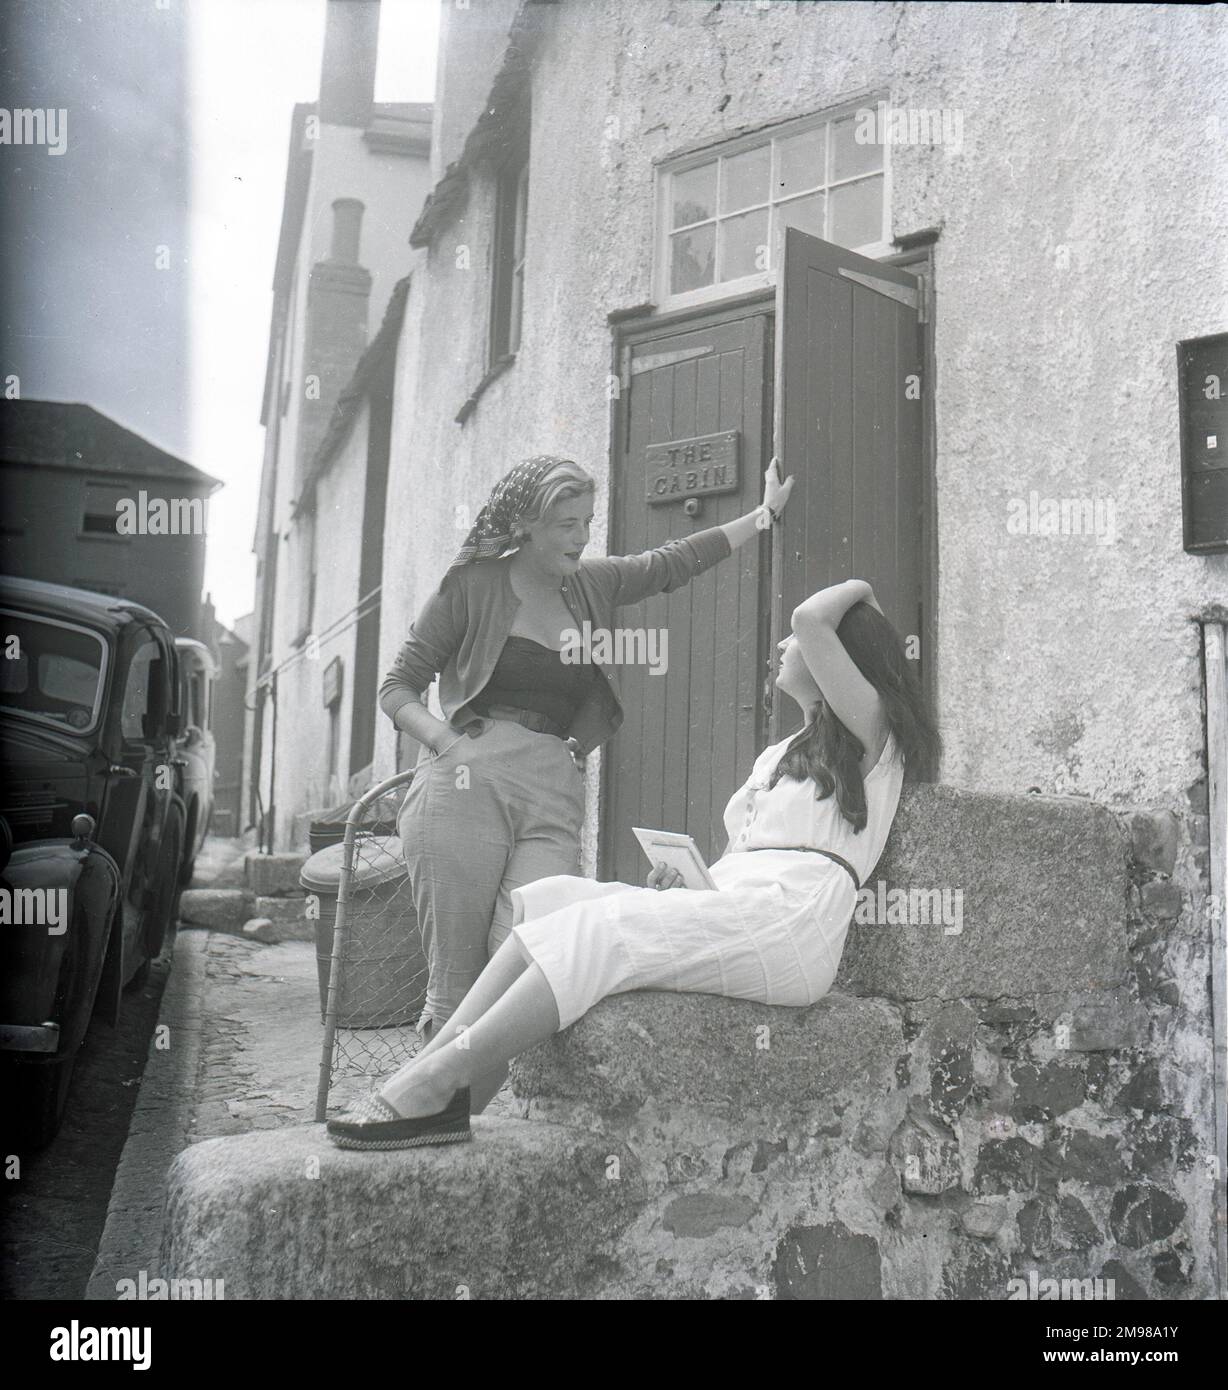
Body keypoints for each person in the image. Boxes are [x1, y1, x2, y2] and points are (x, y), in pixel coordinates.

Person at [329, 577, 941, 1149]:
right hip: (739, 903)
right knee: (555, 899)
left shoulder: (875, 734)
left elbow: (810, 618)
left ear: (842, 656)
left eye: (799, 643)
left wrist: (865, 595)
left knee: (601, 931)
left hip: (793, 922)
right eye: (787, 637)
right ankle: (443, 1079)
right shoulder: (782, 753)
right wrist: (685, 883)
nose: (784, 643)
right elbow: (739, 865)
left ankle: (437, 1081)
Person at [380, 453, 795, 1093]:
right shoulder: (473, 585)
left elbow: (670, 564)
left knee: (527, 964)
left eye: (587, 522)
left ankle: (441, 1121)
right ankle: (425, 1128)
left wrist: (762, 518)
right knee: (457, 986)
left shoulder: (590, 585)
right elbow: (399, 685)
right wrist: (445, 743)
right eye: (566, 524)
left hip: (553, 793)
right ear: (526, 526)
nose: (581, 537)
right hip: (467, 784)